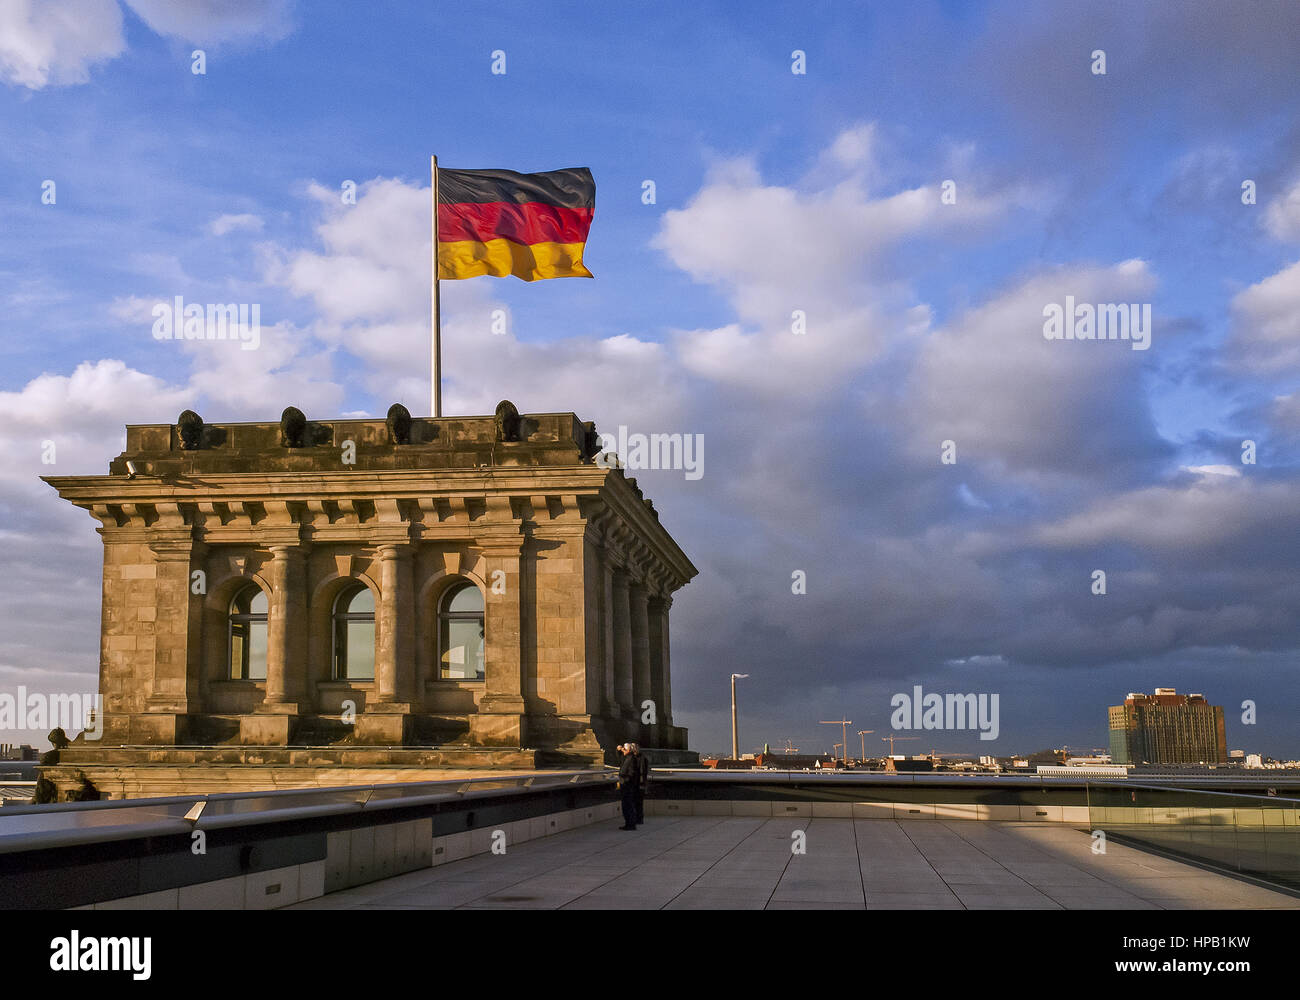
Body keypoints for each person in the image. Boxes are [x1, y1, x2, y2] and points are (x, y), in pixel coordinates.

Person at [617, 743, 639, 830]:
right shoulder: (627, 757)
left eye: (624, 749)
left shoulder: (631, 758)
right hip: (626, 784)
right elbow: (620, 759)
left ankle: (631, 824)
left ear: (629, 750)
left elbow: (631, 773)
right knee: (626, 805)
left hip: (627, 785)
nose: (623, 751)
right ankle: (628, 824)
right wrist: (619, 750)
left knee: (628, 805)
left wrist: (625, 779)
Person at [631, 742, 649, 823]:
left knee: (638, 802)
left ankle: (639, 819)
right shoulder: (637, 757)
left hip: (638, 784)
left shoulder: (641, 758)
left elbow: (643, 771)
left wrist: (642, 783)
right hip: (637, 783)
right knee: (637, 802)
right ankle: (638, 818)